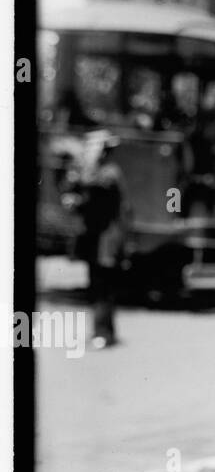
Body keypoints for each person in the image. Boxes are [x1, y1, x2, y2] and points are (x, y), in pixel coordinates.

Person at [75, 131, 126, 348]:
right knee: (98, 285)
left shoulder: (110, 172)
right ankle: (104, 331)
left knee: (103, 286)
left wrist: (87, 163)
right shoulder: (100, 173)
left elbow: (89, 182)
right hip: (96, 239)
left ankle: (104, 333)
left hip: (107, 240)